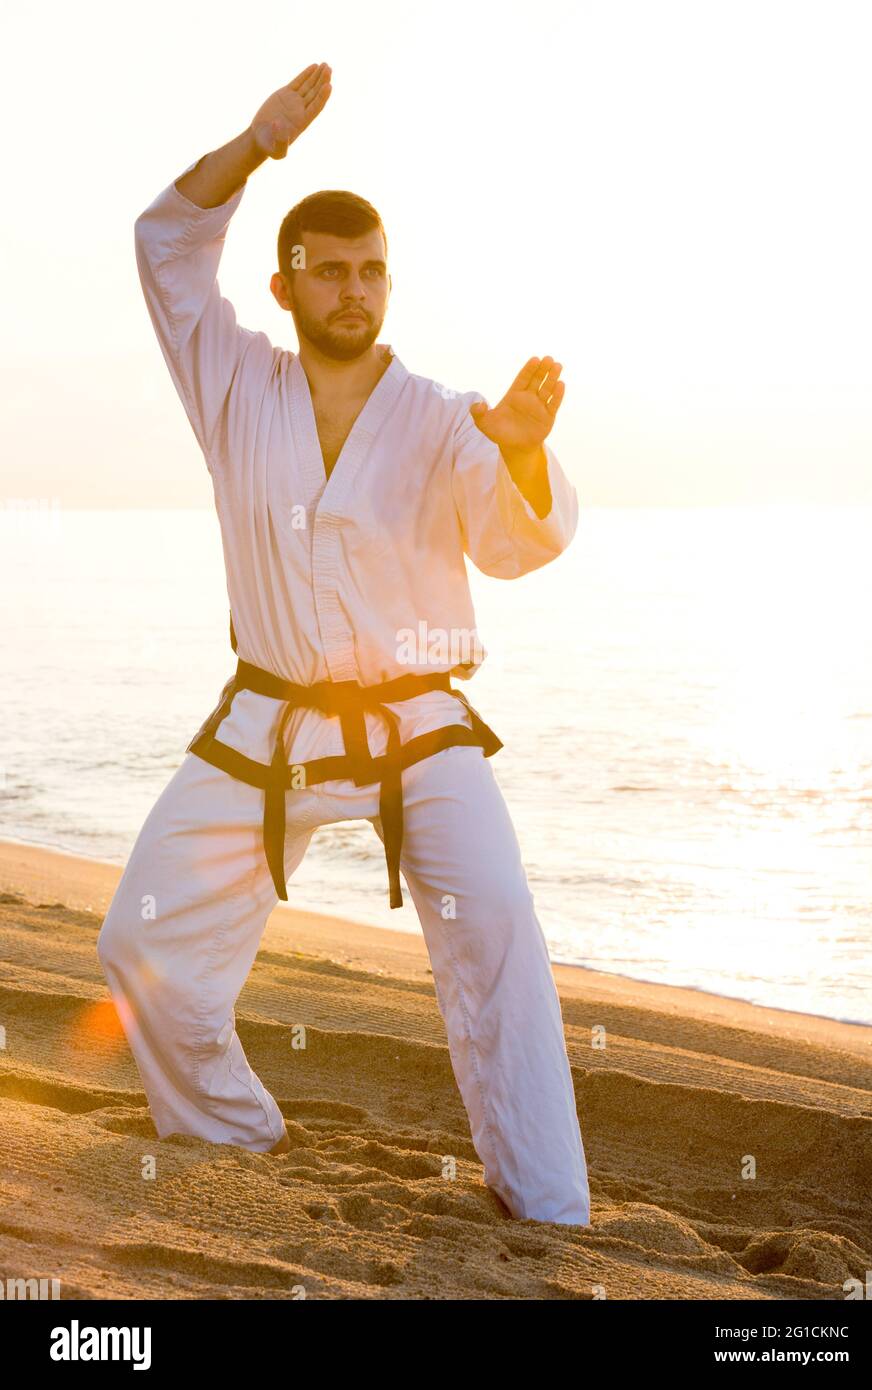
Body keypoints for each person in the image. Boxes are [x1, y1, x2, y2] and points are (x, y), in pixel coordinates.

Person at [97, 61, 591, 1225]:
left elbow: (518, 541)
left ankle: (547, 1204)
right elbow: (163, 242)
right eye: (330, 272)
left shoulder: (441, 417)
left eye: (372, 270)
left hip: (419, 725)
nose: (356, 289)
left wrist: (517, 449)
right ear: (285, 283)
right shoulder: (229, 381)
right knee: (138, 939)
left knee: (501, 941)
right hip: (269, 720)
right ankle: (229, 1136)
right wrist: (258, 141)